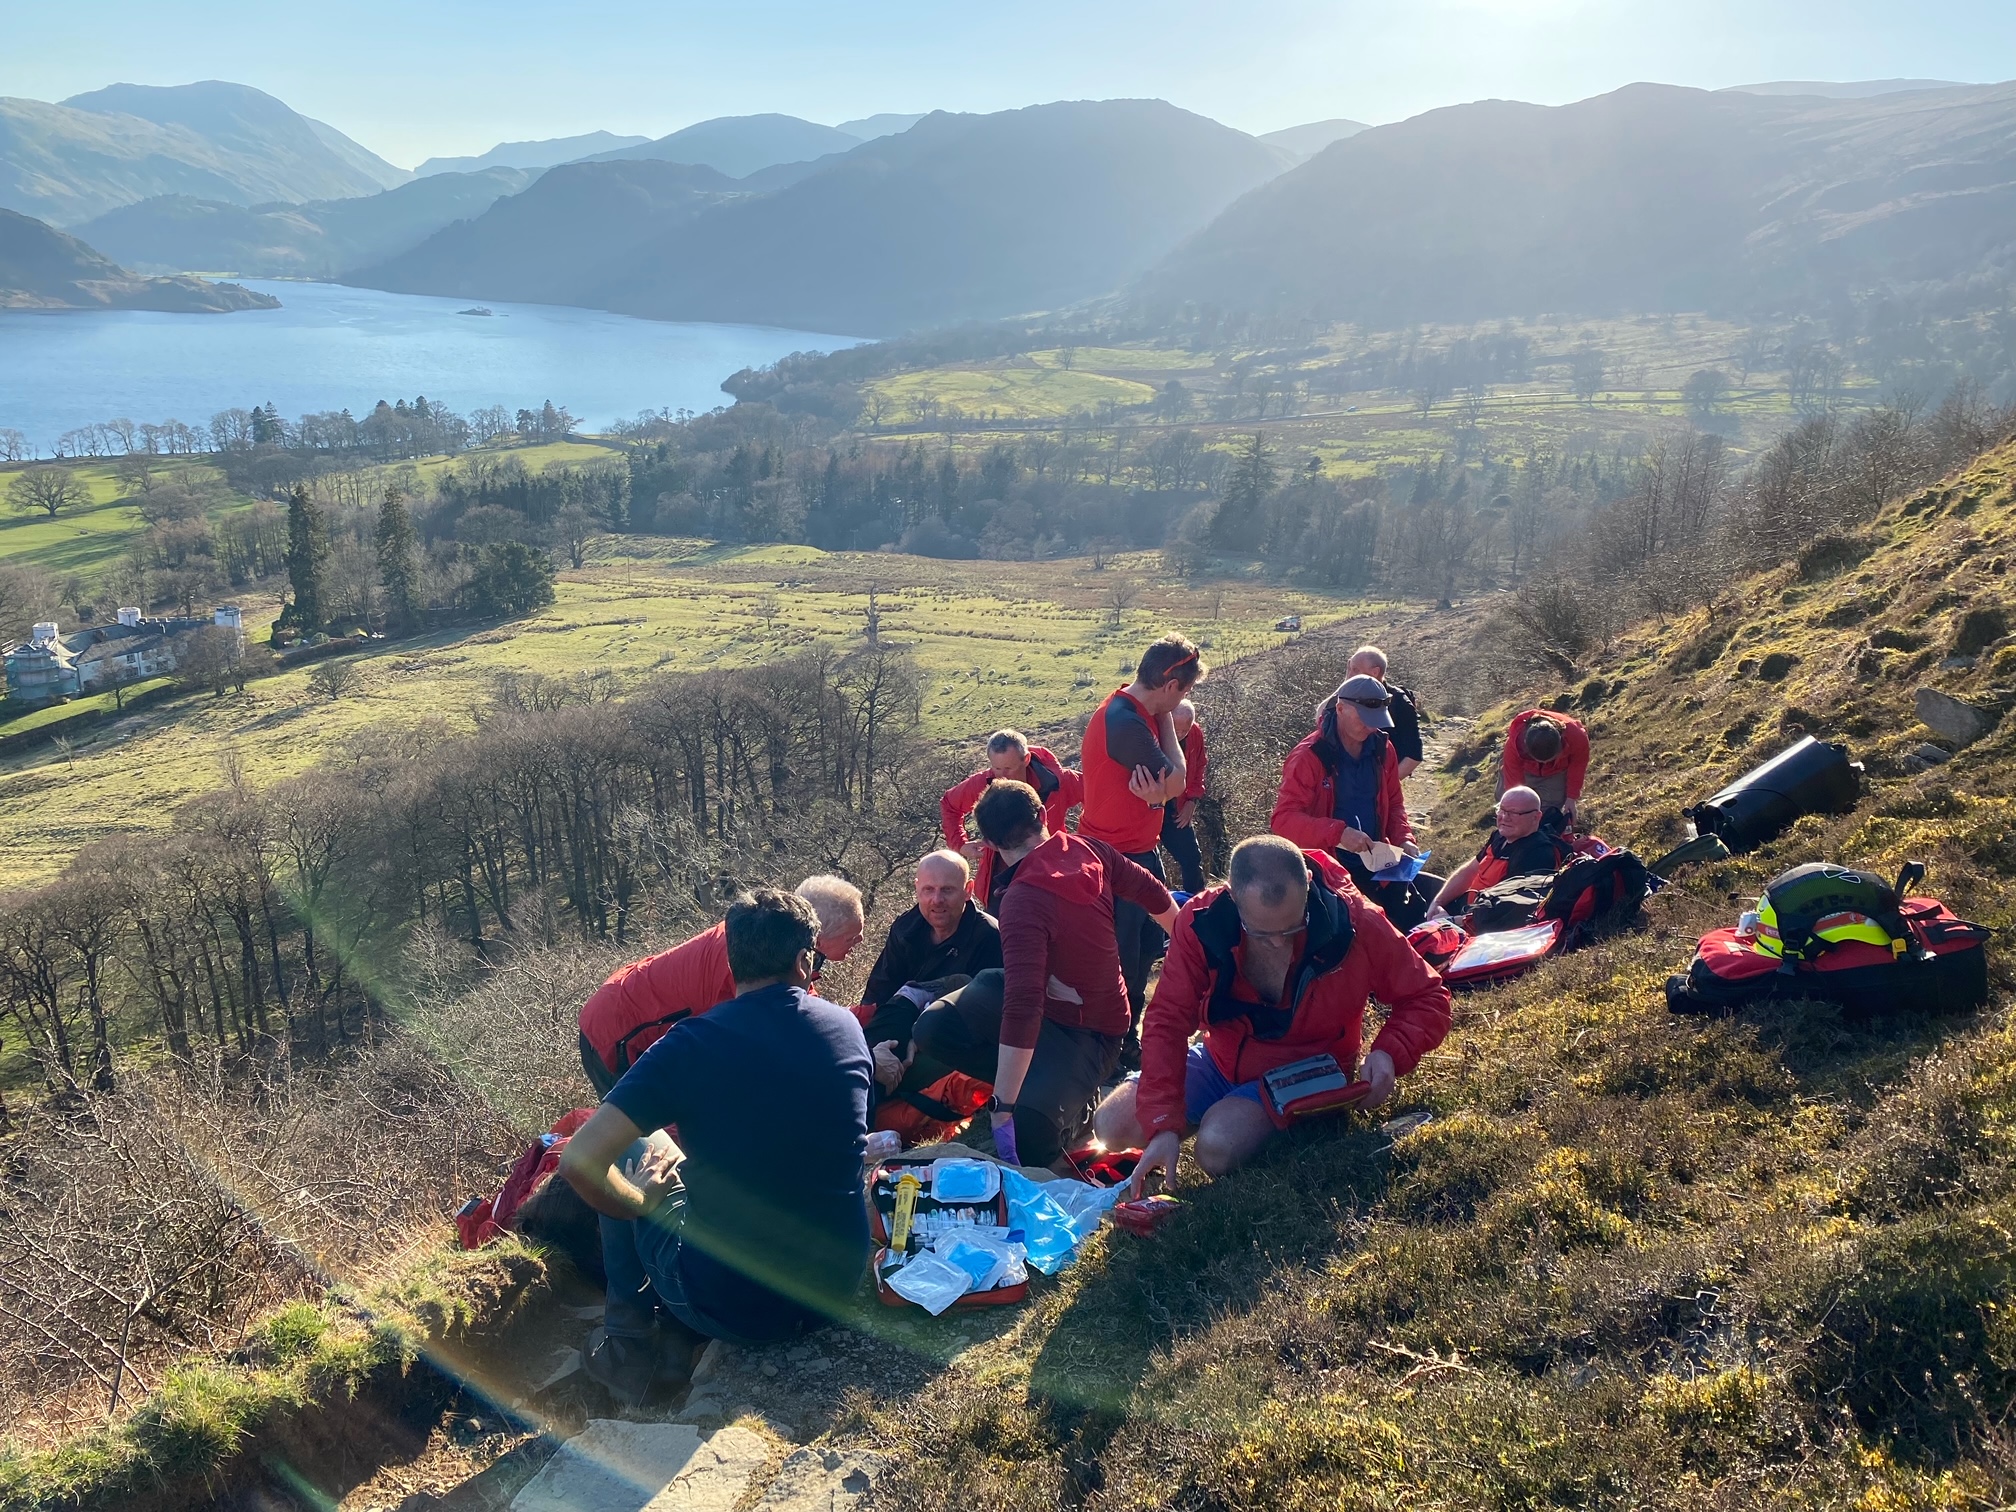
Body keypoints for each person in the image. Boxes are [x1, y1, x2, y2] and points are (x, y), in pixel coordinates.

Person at [559, 889, 872, 1404]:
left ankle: (628, 1346)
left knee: (628, 1147)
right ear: (803, 959)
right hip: (835, 1285)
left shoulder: (687, 1044)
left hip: (736, 1309)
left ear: (731, 959)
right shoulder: (845, 1027)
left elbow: (578, 1161)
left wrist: (640, 1203)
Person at [1095, 835, 1451, 1194]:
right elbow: (1167, 1021)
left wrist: (1389, 1051)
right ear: (1232, 897)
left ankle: (1274, 1119)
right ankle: (1221, 1114)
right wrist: (1163, 1124)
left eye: (1293, 927)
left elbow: (1428, 995)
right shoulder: (1199, 922)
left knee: (1217, 1148)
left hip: (1310, 1065)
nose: (1280, 942)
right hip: (1221, 1058)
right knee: (1111, 1125)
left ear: (1308, 884)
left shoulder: (1358, 922)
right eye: (1263, 933)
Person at [913, 779, 1179, 1169]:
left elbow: (1024, 1005)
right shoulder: (1089, 847)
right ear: (1042, 815)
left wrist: (1002, 1108)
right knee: (933, 1028)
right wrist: (1190, 946)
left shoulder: (1023, 899)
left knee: (1031, 1139)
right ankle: (1030, 1081)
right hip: (1051, 1004)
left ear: (987, 843)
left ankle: (1050, 1096)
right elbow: (1152, 891)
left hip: (1091, 1030)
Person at [578, 874, 865, 1095]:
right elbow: (788, 1028)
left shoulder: (776, 939)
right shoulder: (749, 955)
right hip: (618, 1034)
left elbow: (809, 1012)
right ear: (818, 936)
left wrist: (872, 1016)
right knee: (653, 1141)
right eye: (852, 937)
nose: (861, 942)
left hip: (639, 1021)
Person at [1078, 634, 1207, 1041]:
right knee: (1123, 961)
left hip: (1137, 849)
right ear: (1170, 686)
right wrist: (1164, 794)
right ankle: (1115, 1044)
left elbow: (1169, 789)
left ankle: (1125, 1037)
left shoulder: (1142, 709)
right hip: (1115, 857)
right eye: (1183, 690)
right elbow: (1178, 780)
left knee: (1147, 947)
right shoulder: (1126, 721)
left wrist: (1164, 712)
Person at [1270, 674, 1442, 929]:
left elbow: (1394, 803)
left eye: (1377, 721)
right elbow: (1282, 821)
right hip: (1328, 875)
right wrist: (1338, 833)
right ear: (1340, 709)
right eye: (1364, 719)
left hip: (1378, 868)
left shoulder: (1383, 749)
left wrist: (1403, 838)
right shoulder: (1308, 757)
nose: (1371, 727)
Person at [855, 850, 1001, 1145]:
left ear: (968, 890)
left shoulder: (989, 937)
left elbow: (986, 1013)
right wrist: (876, 1050)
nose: (937, 900)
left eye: (947, 890)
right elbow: (879, 995)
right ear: (917, 889)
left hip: (950, 1038)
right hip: (900, 1026)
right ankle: (846, 1124)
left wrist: (913, 1040)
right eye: (928, 890)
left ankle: (855, 1134)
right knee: (875, 1057)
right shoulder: (906, 929)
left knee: (899, 1065)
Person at [941, 730, 1084, 912]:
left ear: (1025, 759)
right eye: (997, 768)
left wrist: (1084, 841)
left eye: (1009, 768)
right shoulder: (984, 782)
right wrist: (960, 844)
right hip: (1000, 881)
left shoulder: (1058, 781)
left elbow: (1096, 793)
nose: (1002, 777)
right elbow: (949, 804)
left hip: (1053, 872)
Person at [1426, 786, 1575, 919]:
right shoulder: (1500, 836)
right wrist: (1438, 902)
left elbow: (1507, 910)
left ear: (1536, 817)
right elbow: (1471, 869)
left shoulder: (1538, 854)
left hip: (1477, 926)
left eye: (1514, 813)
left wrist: (1451, 922)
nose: (1504, 818)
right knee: (1416, 885)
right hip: (1464, 906)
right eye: (1502, 810)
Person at [1499, 710, 1590, 831]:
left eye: (1549, 759)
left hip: (1556, 771)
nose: (1545, 763)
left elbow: (1577, 765)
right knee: (1506, 800)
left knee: (1548, 811)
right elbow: (1514, 787)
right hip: (1526, 771)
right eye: (1540, 760)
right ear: (1526, 748)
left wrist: (1571, 798)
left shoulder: (1576, 736)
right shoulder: (1514, 746)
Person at [1347, 645, 1425, 779]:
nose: (1350, 675)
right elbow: (1320, 716)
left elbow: (1414, 755)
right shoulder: (1348, 697)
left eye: (1355, 669)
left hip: (1380, 785)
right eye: (1349, 669)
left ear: (1375, 672)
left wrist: (1385, 787)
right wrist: (1346, 682)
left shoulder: (1399, 702)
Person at [1158, 699, 1209, 894]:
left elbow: (1200, 767)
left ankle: (1196, 905)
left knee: (1192, 858)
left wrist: (1192, 801)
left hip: (1178, 808)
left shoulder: (1195, 733)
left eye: (1183, 731)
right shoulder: (1153, 732)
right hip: (1150, 809)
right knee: (1150, 867)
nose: (1179, 736)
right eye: (1175, 730)